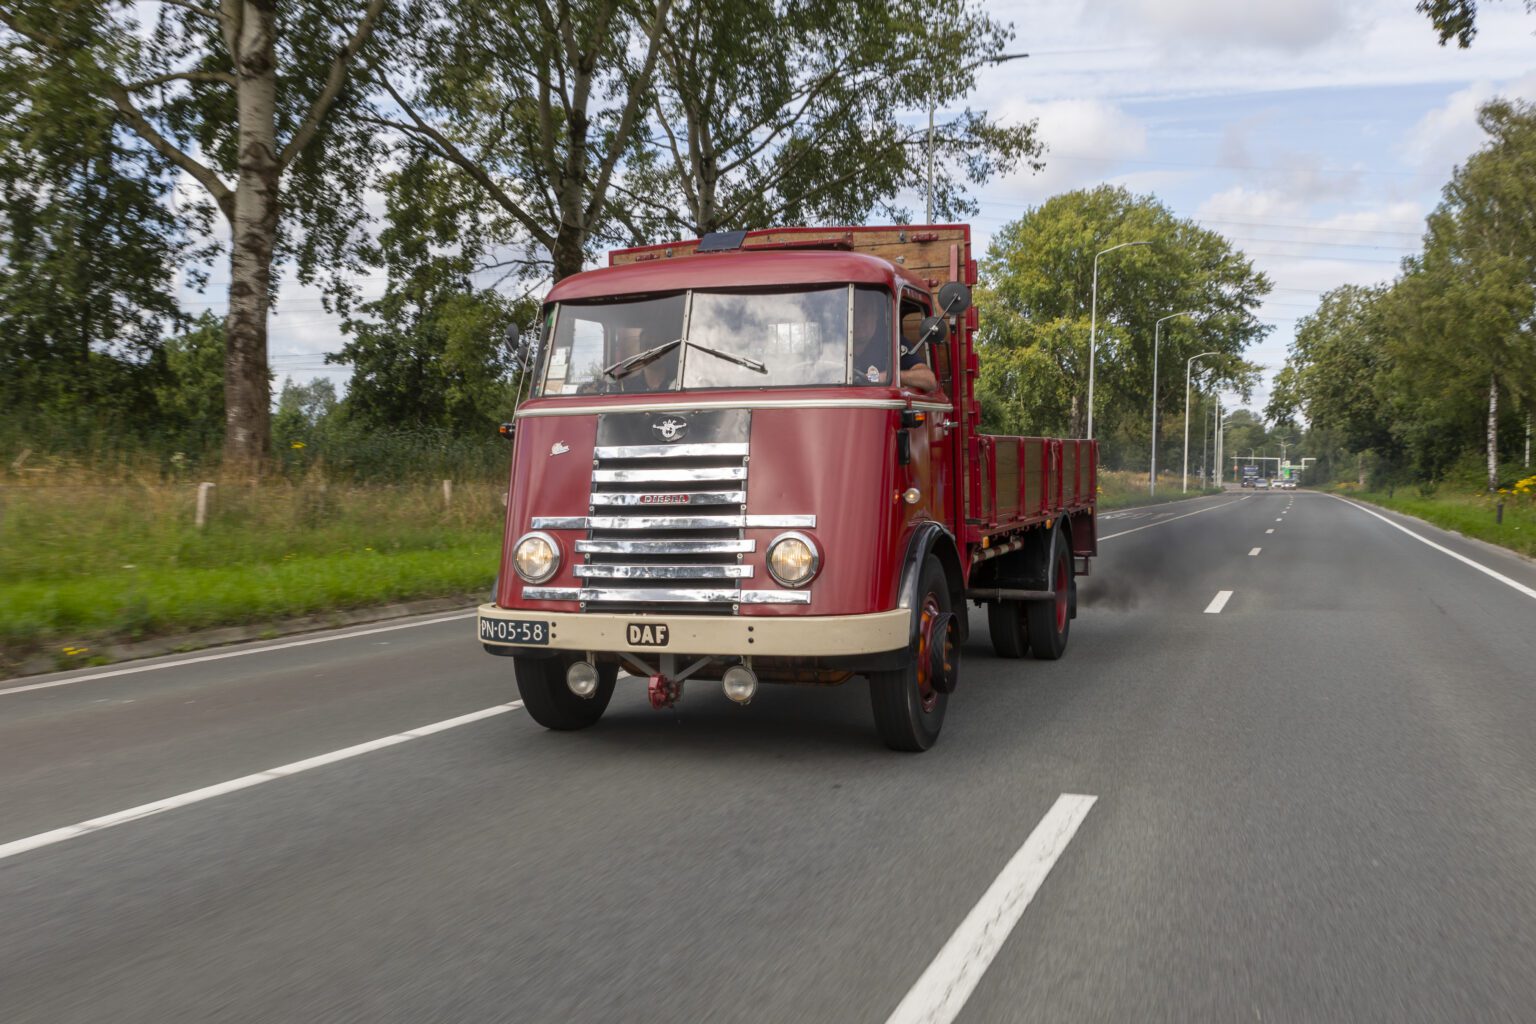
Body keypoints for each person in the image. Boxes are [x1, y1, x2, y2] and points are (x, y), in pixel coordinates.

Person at [852, 303, 938, 391]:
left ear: (875, 315)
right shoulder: (838, 343)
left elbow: (929, 380)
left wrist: (888, 376)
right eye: (854, 313)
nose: (858, 319)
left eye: (864, 312)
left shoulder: (892, 341)